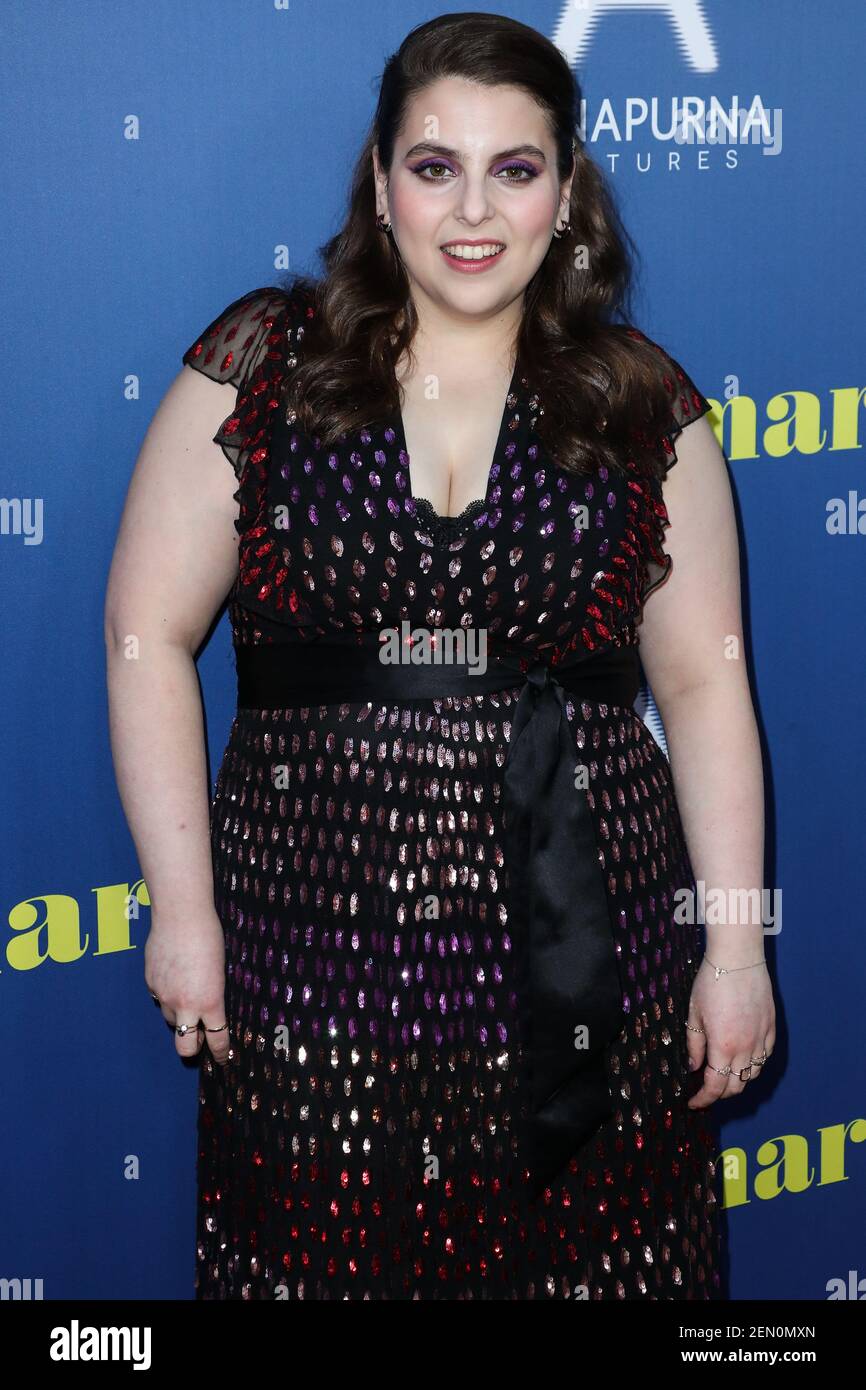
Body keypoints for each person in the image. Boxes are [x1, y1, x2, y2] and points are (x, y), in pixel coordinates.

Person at [105, 12, 775, 1300]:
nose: (475, 210)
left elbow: (703, 687)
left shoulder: (643, 403)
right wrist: (181, 913)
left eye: (515, 169)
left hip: (591, 952)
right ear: (380, 181)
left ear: (567, 190)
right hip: (311, 958)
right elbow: (147, 641)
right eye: (435, 166)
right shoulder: (264, 365)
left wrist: (736, 952)